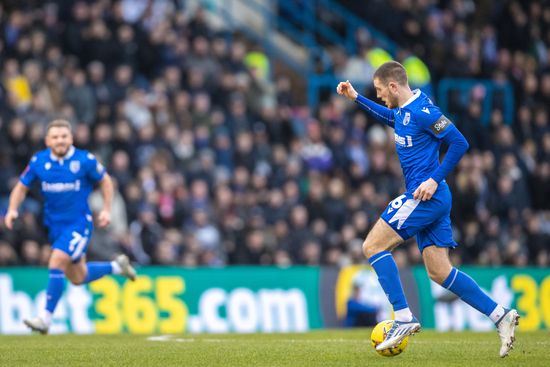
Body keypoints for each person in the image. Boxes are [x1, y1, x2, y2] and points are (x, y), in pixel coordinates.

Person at [336, 61, 519, 357]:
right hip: (430, 197)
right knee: (439, 272)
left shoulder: (424, 111)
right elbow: (391, 117)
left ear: (394, 86)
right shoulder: (405, 112)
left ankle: (403, 317)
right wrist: (357, 98)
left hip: (425, 196)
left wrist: (434, 179)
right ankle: (501, 315)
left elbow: (459, 142)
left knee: (372, 246)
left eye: (381, 90)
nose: (380, 95)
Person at [4, 119, 136, 334]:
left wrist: (106, 210)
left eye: (64, 136)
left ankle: (45, 319)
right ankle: (116, 267)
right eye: (55, 137)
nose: (60, 141)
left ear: (71, 138)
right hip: (55, 226)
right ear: (47, 141)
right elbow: (21, 187)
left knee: (56, 260)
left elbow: (105, 181)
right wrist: (11, 210)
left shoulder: (84, 160)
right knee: (77, 277)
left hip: (79, 224)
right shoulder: (39, 161)